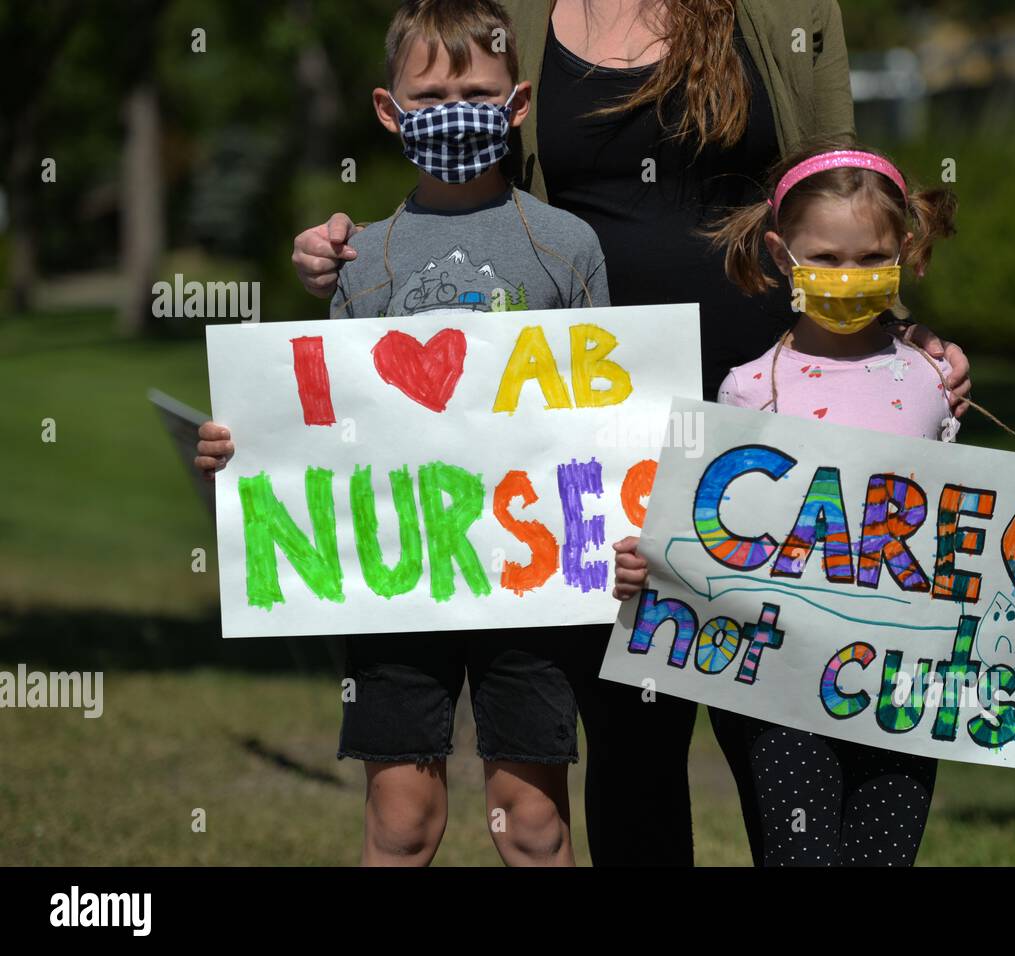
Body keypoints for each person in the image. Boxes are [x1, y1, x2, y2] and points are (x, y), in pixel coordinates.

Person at [289, 0, 975, 867]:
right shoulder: (518, 15)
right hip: (590, 434)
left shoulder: (790, 9)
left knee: (780, 724)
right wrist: (351, 248)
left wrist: (894, 335)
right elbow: (468, 186)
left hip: (774, 411)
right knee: (632, 736)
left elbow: (843, 190)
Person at [613, 137, 1015, 866]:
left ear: (904, 252)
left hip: (905, 694)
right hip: (778, 694)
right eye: (825, 259)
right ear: (780, 254)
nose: (846, 276)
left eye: (866, 258)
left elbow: (971, 530)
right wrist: (647, 566)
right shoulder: (746, 390)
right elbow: (707, 535)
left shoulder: (931, 379)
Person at [197, 0, 610, 866]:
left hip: (530, 582)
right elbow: (330, 421)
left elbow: (609, 417)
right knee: (401, 820)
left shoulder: (568, 247)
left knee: (533, 825)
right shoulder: (365, 258)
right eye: (428, 95)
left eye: (476, 89)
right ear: (388, 111)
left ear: (518, 102)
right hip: (396, 582)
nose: (453, 108)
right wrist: (248, 451)